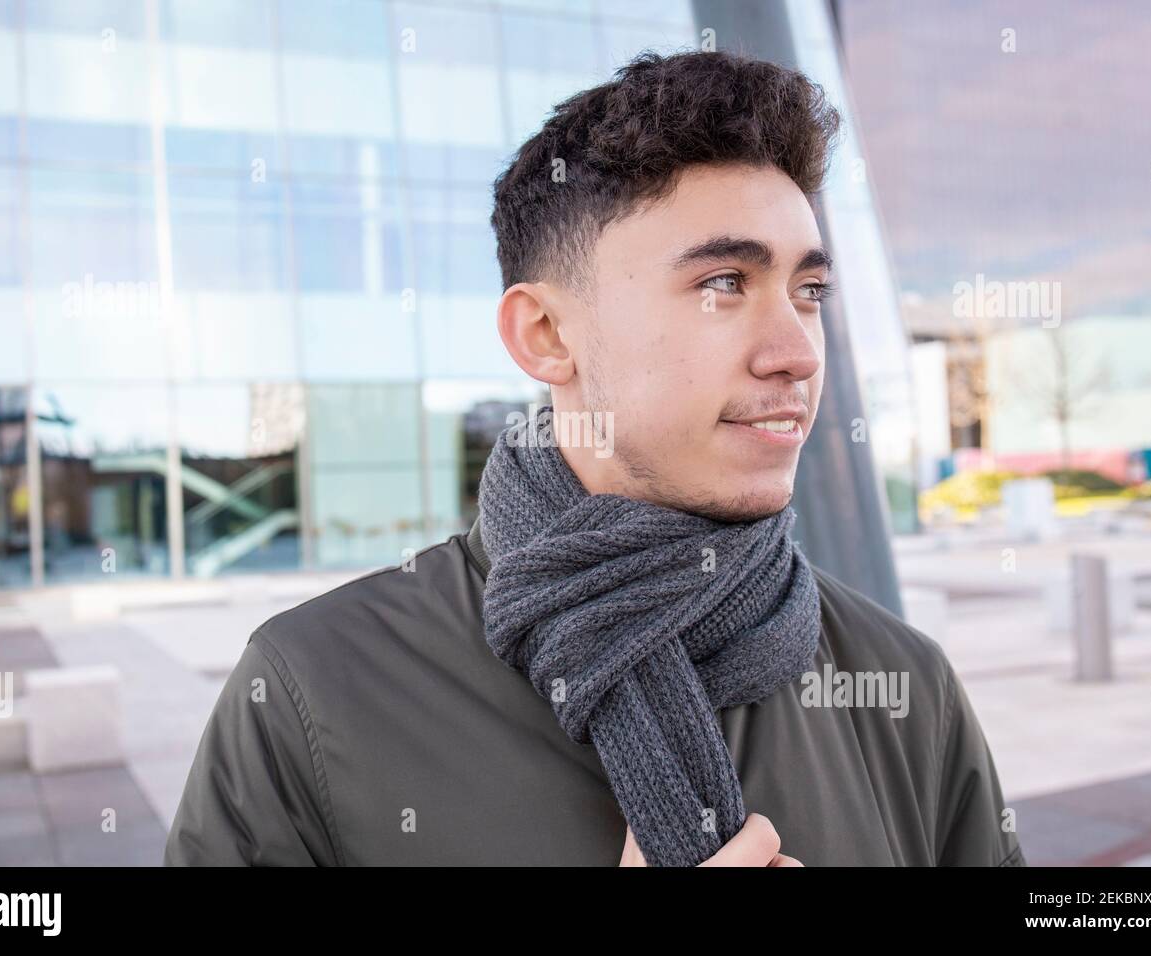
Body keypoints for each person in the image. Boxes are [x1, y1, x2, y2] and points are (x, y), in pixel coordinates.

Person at [165, 49, 1025, 867]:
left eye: (809, 292)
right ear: (545, 336)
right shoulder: (315, 691)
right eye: (724, 283)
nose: (796, 351)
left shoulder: (903, 684)